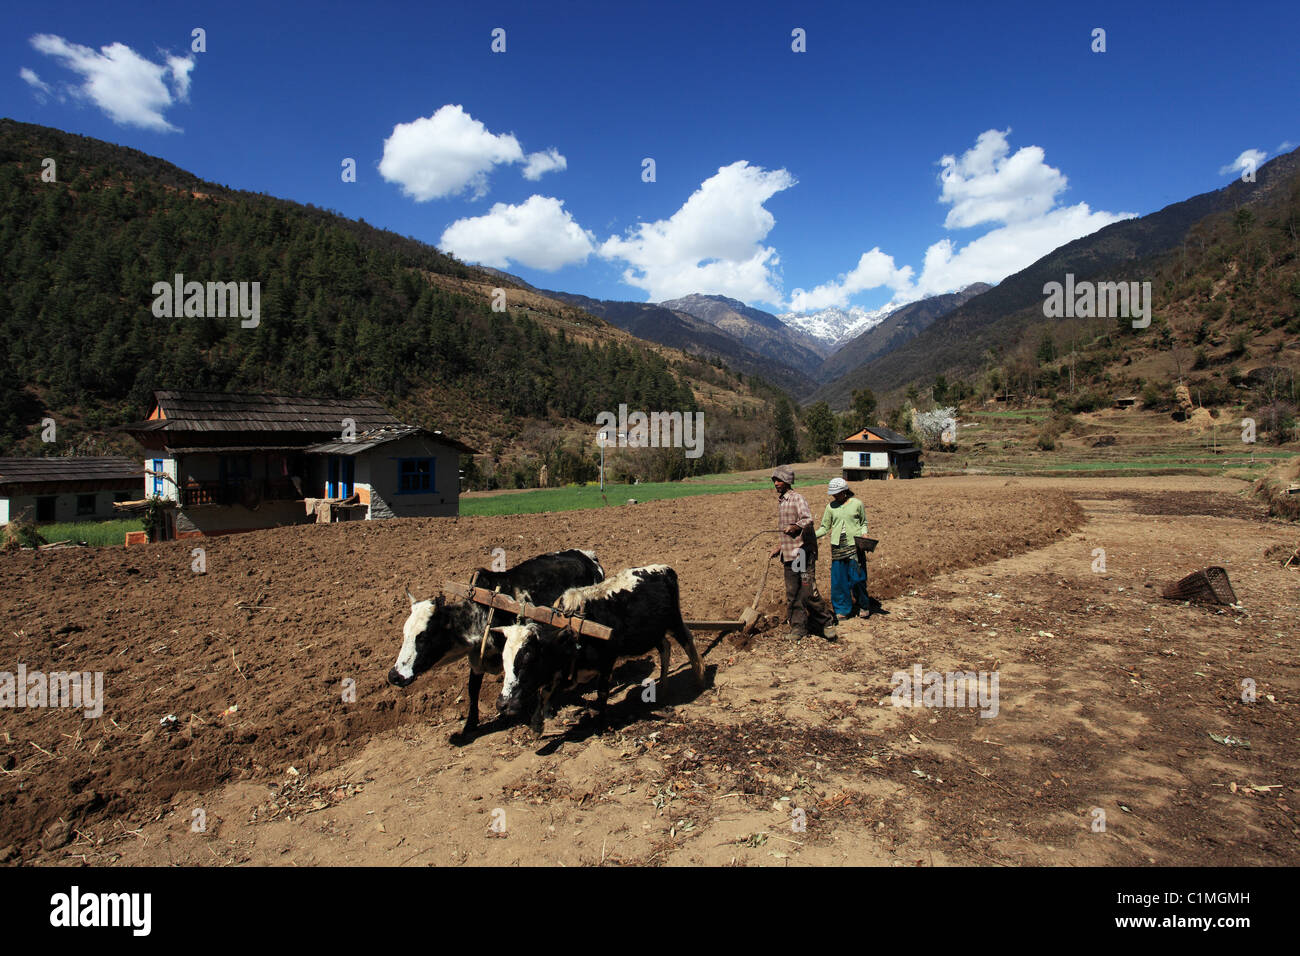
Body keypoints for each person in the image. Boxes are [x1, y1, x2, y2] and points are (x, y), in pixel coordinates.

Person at [768, 465, 838, 640]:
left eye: (779, 480)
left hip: (802, 554)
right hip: (788, 555)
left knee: (807, 592)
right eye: (774, 480)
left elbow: (807, 519)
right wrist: (779, 547)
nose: (776, 483)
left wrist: (795, 527)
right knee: (792, 594)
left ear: (787, 481)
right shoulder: (782, 502)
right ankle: (798, 628)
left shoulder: (797, 498)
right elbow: (786, 531)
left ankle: (826, 622)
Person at [816, 477, 870, 619]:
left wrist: (864, 533)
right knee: (839, 580)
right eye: (833, 494)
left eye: (837, 493)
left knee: (857, 578)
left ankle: (863, 605)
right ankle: (842, 610)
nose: (835, 496)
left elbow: (863, 522)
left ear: (845, 491)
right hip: (838, 547)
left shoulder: (857, 504)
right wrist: (810, 535)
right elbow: (824, 527)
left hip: (855, 546)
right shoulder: (830, 507)